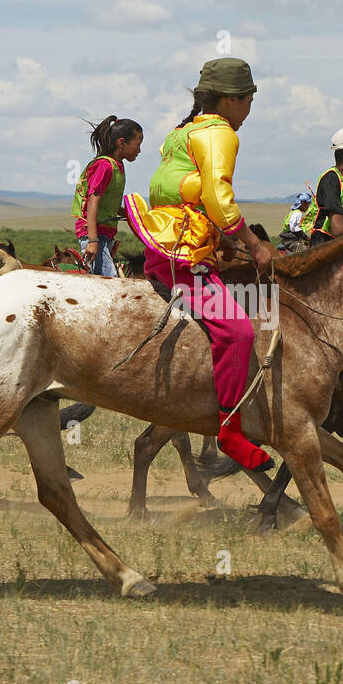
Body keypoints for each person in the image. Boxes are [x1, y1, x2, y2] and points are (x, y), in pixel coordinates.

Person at [125, 57, 275, 470]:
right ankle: (229, 432)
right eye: (247, 101)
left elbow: (176, 191)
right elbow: (217, 196)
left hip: (167, 244)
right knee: (239, 332)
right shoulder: (218, 132)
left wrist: (222, 240)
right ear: (231, 100)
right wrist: (251, 243)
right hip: (183, 255)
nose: (248, 112)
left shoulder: (183, 131)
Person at [71, 115, 143, 277]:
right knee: (110, 281)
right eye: (137, 145)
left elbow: (109, 204)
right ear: (122, 142)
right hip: (95, 235)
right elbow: (92, 201)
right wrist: (93, 241)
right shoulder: (105, 166)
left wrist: (133, 217)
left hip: (106, 234)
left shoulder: (118, 166)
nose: (139, 151)